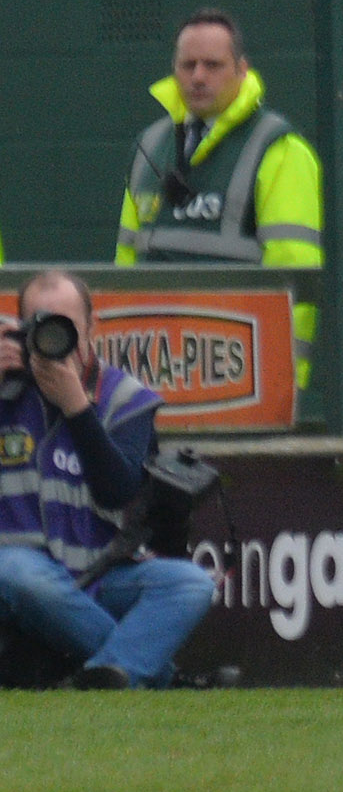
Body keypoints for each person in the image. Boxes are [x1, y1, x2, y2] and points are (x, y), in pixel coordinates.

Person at [0, 270, 215, 688]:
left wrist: (78, 409)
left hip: (99, 571)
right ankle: (160, 679)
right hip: (17, 565)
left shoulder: (123, 397)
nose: (58, 342)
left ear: (92, 328)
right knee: (22, 576)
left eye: (69, 329)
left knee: (190, 584)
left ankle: (105, 674)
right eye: (44, 327)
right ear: (24, 330)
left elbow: (118, 491)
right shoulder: (7, 388)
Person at [114, 10, 325, 389]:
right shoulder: (149, 147)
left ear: (241, 69)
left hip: (239, 376)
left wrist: (283, 380)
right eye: (187, 65)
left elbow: (296, 271)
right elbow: (124, 265)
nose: (198, 76)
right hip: (150, 373)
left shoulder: (280, 151)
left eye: (213, 65)